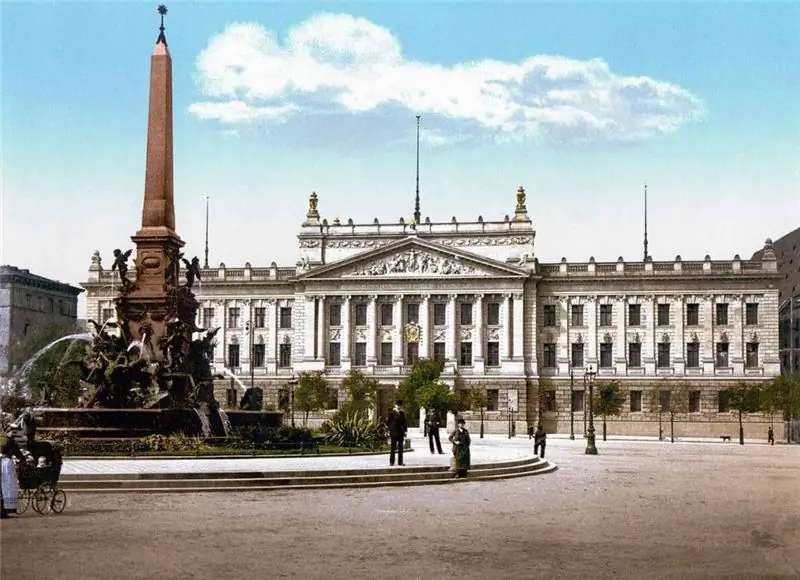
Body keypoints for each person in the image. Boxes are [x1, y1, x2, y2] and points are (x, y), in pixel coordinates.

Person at [0, 438, 21, 518]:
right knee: (8, 485)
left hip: (2, 462)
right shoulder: (10, 442)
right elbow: (18, 453)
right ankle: (5, 509)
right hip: (6, 463)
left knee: (3, 486)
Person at [387, 401, 407, 467]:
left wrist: (405, 431)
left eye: (400, 405)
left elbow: (404, 423)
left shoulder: (402, 413)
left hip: (400, 432)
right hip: (394, 432)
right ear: (395, 405)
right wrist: (391, 429)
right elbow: (388, 422)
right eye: (398, 405)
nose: (399, 406)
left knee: (400, 447)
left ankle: (400, 462)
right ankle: (391, 462)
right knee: (393, 448)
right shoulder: (392, 413)